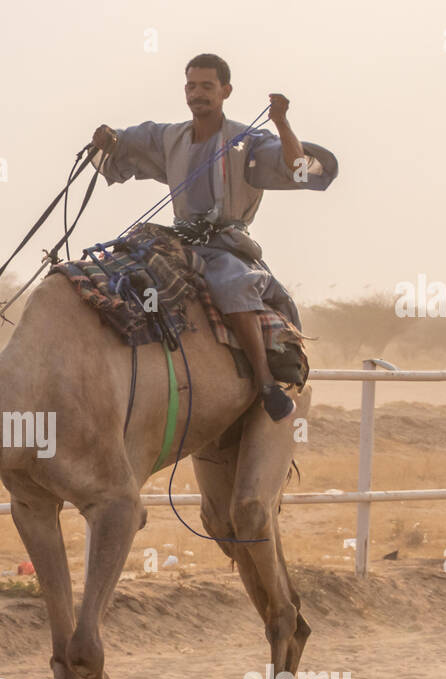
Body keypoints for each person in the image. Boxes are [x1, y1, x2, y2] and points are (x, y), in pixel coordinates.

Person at [90, 53, 338, 420]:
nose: (197, 93)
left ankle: (265, 381)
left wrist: (281, 123)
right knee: (118, 273)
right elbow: (125, 141)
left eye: (207, 86)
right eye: (192, 86)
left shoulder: (247, 142)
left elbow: (297, 168)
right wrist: (106, 137)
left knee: (232, 284)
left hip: (225, 247)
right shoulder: (168, 137)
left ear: (226, 90)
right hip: (178, 240)